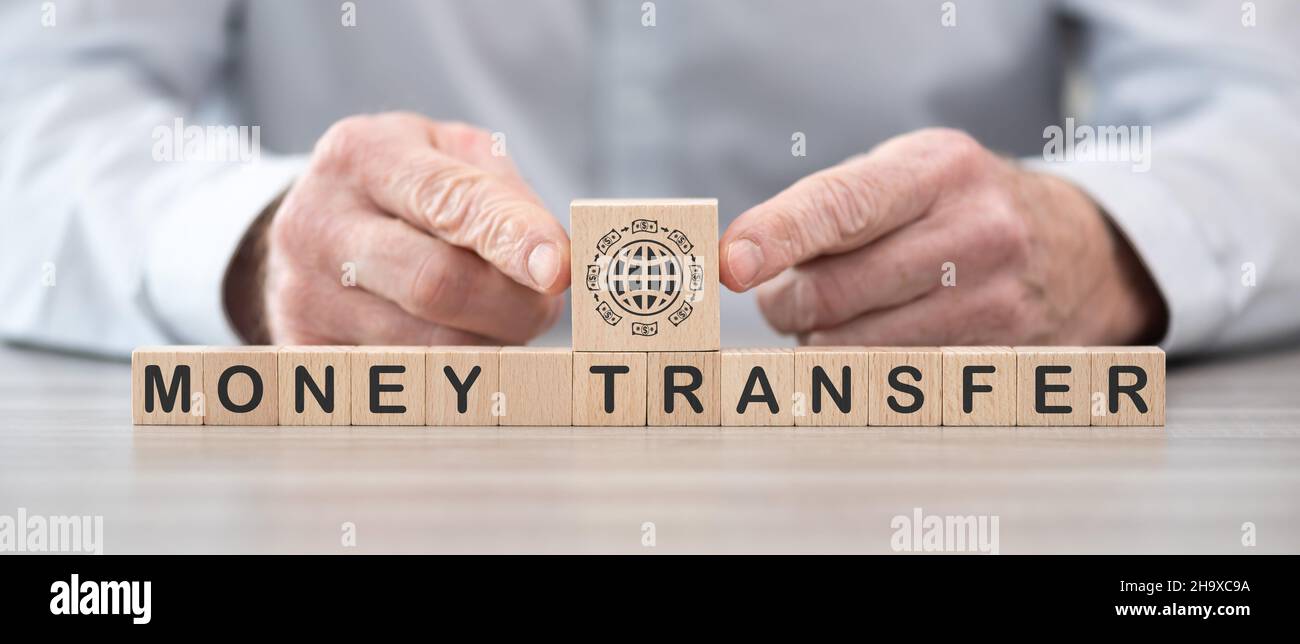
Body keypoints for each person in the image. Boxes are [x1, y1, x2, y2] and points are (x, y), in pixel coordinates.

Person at [1, 0, 1296, 357]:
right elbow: (37, 110)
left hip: (946, 491)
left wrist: (1103, 245)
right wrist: (258, 248)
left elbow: (1266, 98)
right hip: (376, 499)